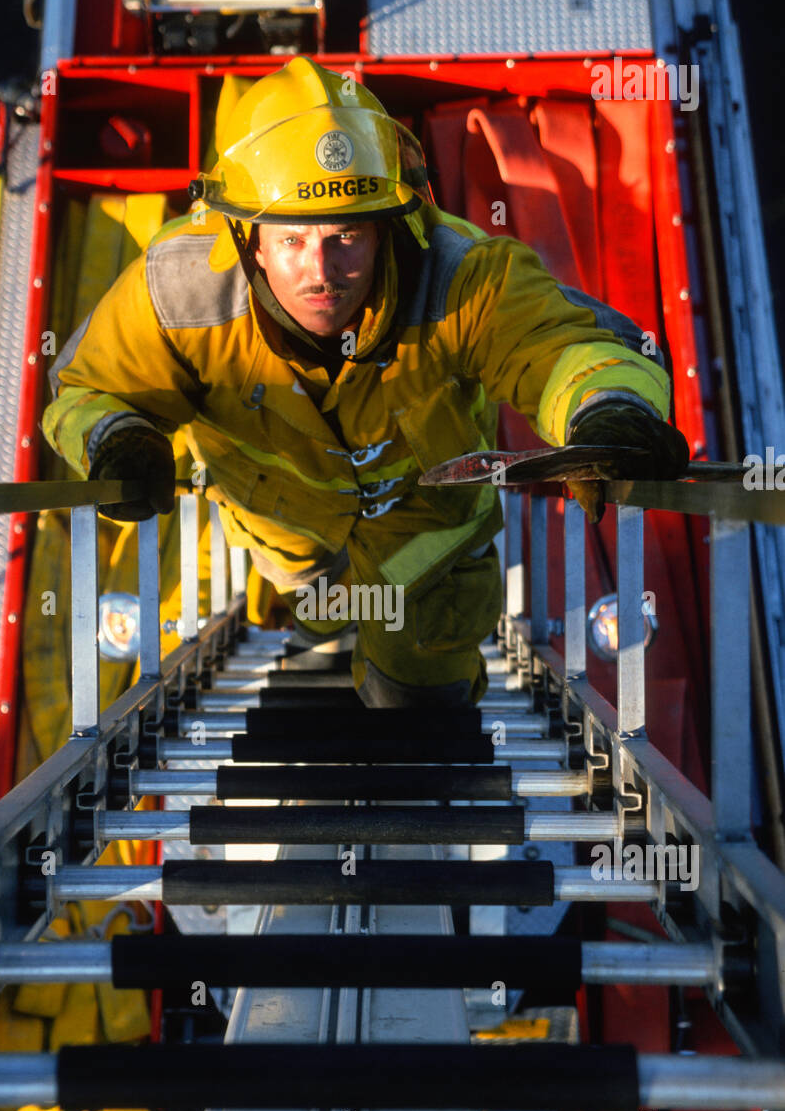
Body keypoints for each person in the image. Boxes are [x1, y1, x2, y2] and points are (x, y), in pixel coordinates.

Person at [43, 57, 688, 708]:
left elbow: (557, 343)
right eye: (292, 239)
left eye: (346, 234)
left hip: (427, 558)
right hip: (288, 549)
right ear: (246, 237)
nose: (320, 270)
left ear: (387, 228)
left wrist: (609, 411)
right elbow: (91, 389)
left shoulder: (459, 277)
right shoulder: (176, 294)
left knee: (420, 710)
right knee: (317, 615)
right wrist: (120, 437)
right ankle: (323, 628)